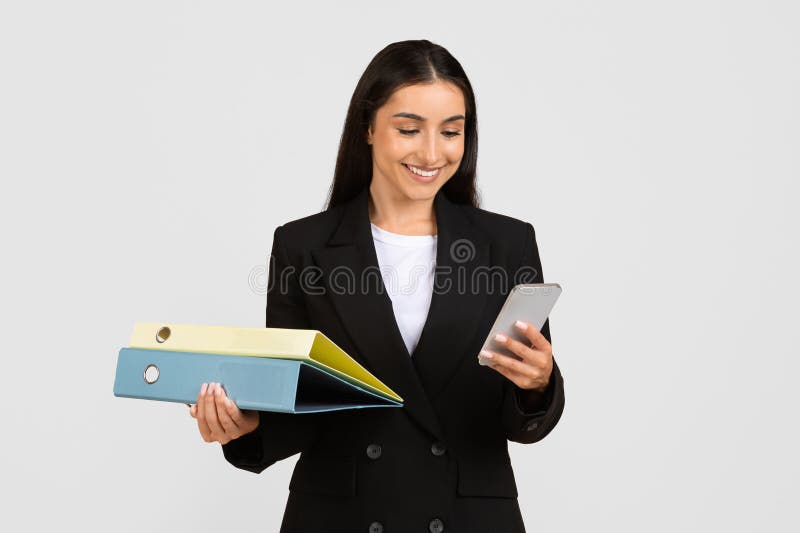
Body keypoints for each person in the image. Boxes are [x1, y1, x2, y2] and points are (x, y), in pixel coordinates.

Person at [189, 39, 565, 533]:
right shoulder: (303, 246)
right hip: (342, 515)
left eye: (451, 132)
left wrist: (537, 385)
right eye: (408, 129)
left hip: (467, 515)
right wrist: (245, 425)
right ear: (368, 127)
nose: (432, 152)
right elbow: (301, 404)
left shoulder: (508, 244)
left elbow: (520, 419)